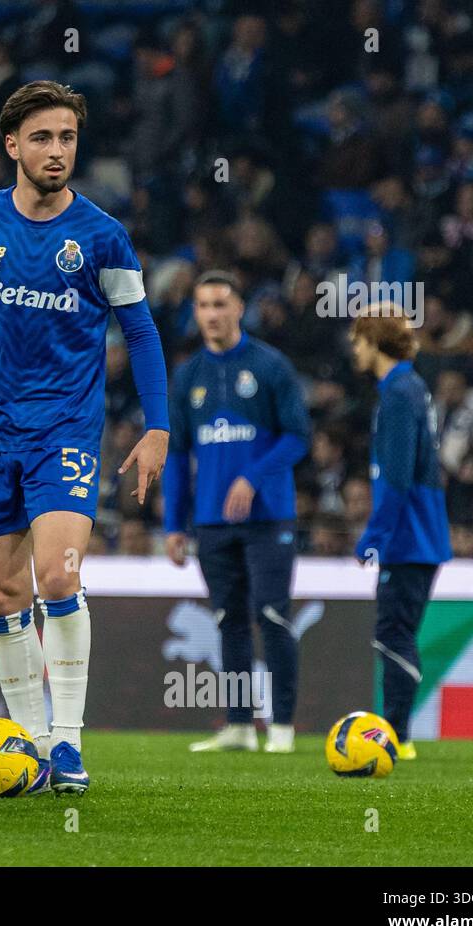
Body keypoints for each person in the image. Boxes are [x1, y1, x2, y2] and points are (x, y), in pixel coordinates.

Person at [0, 80, 170, 795]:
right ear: (12, 146)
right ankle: (32, 742)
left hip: (66, 431)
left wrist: (158, 427)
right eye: (43, 138)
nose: (57, 151)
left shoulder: (103, 235)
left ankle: (70, 742)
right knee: (0, 594)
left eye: (68, 138)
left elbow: (140, 332)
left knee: (58, 576)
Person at [162, 272, 311, 754]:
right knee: (228, 620)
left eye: (220, 304)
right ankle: (240, 725)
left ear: (239, 308)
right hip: (211, 522)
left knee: (272, 614)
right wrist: (173, 526)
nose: (211, 314)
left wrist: (253, 476)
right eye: (203, 305)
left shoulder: (270, 367)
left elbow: (297, 437)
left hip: (269, 518)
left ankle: (283, 726)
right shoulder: (187, 377)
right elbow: (178, 456)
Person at [350, 303, 452, 760]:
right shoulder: (411, 387)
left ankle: (397, 735)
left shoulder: (397, 393)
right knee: (397, 631)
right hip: (420, 532)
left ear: (374, 342)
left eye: (358, 339)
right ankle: (399, 732)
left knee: (393, 632)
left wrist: (374, 534)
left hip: (408, 535)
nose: (354, 348)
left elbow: (396, 474)